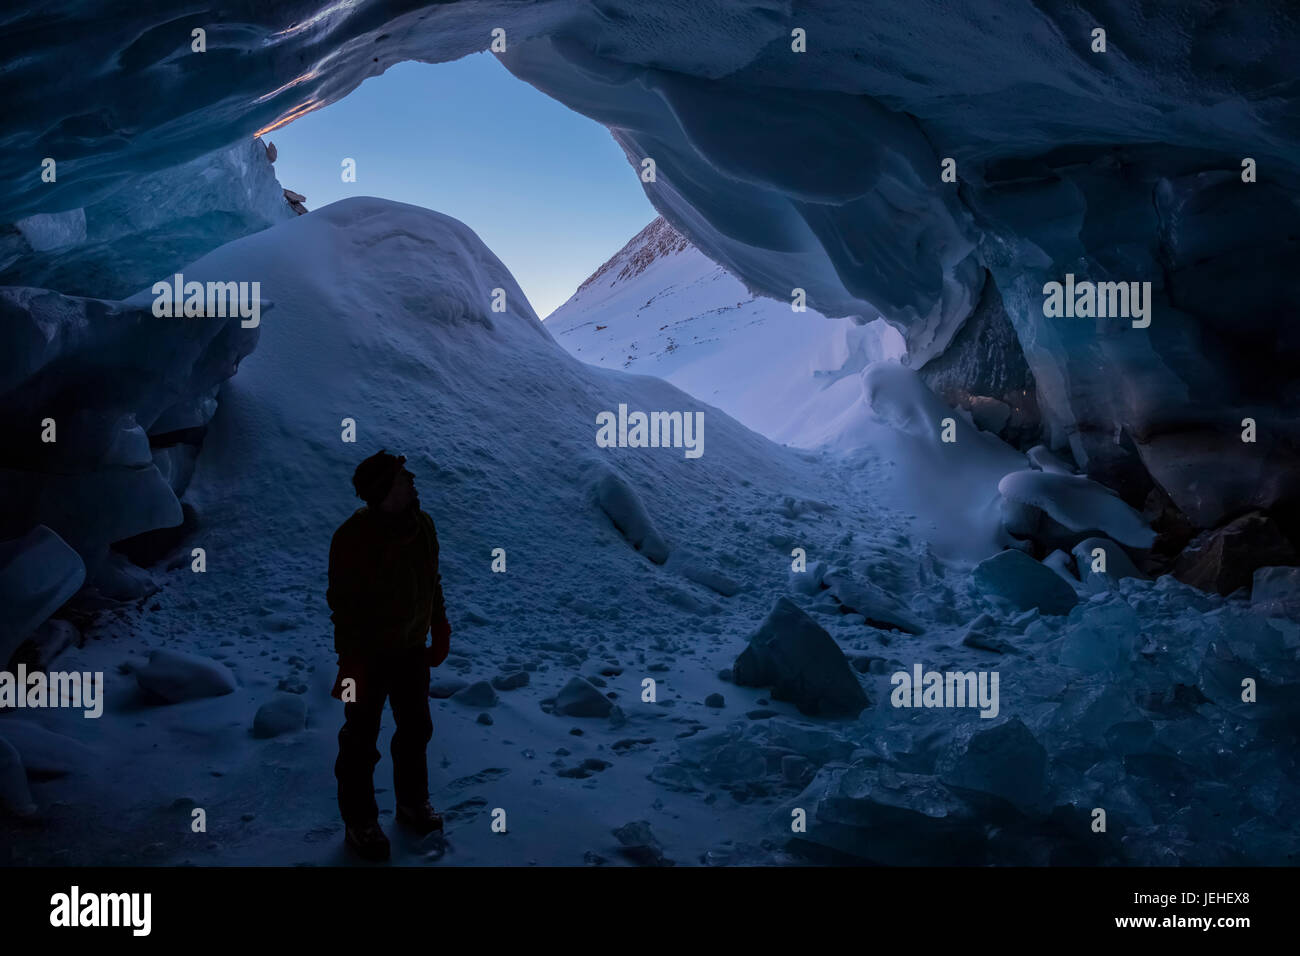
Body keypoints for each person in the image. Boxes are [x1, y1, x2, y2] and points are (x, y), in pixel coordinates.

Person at [327, 449, 452, 861]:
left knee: (416, 729)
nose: (412, 479)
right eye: (402, 477)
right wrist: (350, 664)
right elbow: (343, 605)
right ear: (384, 491)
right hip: (365, 657)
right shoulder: (352, 537)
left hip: (411, 652)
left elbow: (432, 581)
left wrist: (439, 626)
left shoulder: (423, 525)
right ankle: (360, 821)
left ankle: (412, 804)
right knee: (359, 740)